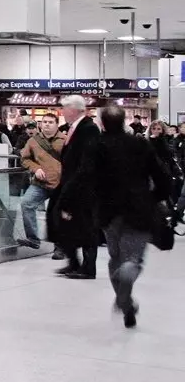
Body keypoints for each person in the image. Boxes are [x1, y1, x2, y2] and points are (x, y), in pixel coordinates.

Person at [94, 105, 171, 327]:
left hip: (109, 212)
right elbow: (161, 175)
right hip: (139, 209)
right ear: (124, 121)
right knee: (132, 257)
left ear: (103, 123)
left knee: (114, 256)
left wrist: (75, 204)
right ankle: (130, 270)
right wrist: (156, 197)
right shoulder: (140, 144)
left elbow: (85, 176)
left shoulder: (97, 146)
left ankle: (124, 301)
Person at [51, 95, 102, 280]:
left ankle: (88, 267)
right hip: (71, 183)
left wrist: (74, 185)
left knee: (86, 226)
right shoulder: (75, 128)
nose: (62, 112)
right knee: (63, 221)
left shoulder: (88, 129)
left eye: (65, 108)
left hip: (82, 187)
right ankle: (73, 262)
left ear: (76, 109)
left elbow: (87, 162)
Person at [16, 114, 65, 248]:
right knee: (26, 203)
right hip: (40, 184)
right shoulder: (33, 141)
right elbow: (24, 159)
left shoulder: (65, 140)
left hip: (60, 184)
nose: (47, 124)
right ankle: (33, 239)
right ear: (40, 124)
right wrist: (35, 168)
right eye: (44, 122)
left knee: (57, 214)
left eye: (50, 122)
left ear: (56, 124)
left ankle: (60, 245)